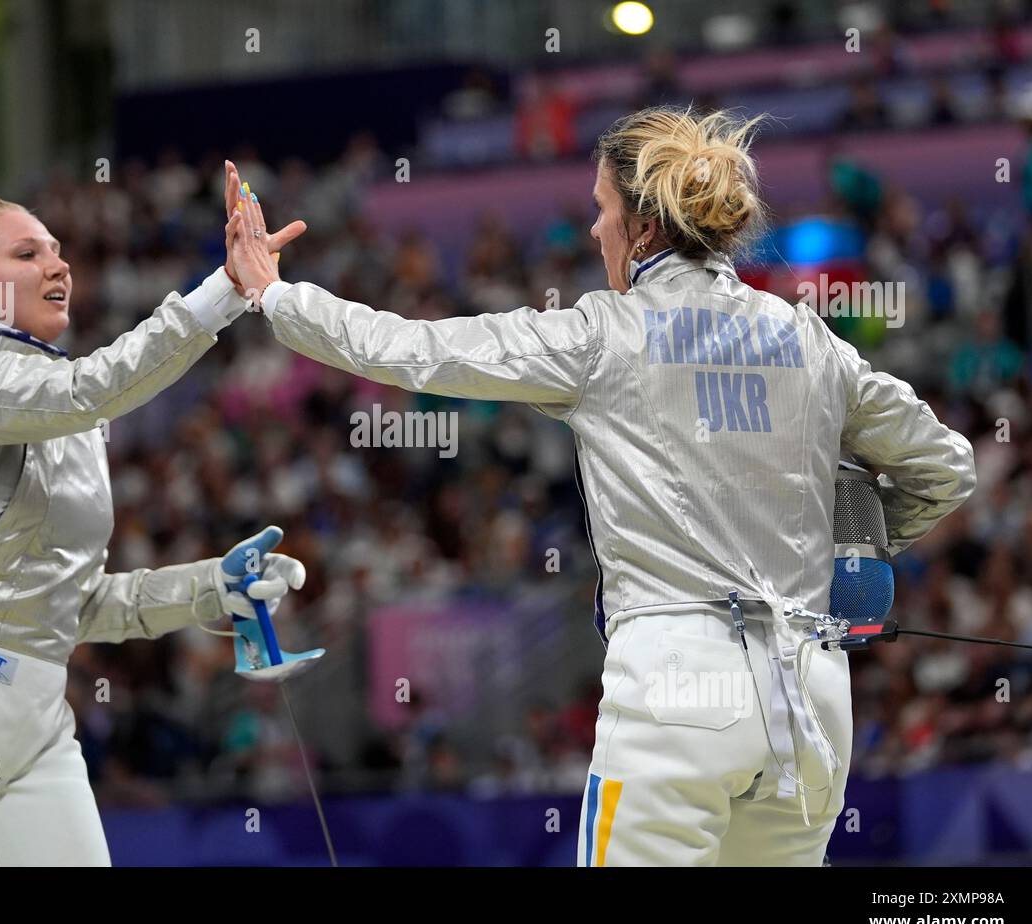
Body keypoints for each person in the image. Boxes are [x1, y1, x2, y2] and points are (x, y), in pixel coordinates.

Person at [223, 110, 977, 866]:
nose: (593, 232)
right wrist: (849, 545)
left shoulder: (601, 334)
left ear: (643, 228)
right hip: (814, 694)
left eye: (602, 211)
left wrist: (275, 296)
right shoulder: (809, 338)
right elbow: (947, 466)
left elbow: (413, 350)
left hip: (677, 686)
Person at [0, 185, 308, 866]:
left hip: (35, 723)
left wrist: (212, 587)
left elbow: (74, 603)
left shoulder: (71, 422)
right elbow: (86, 392)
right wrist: (224, 289)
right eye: (27, 253)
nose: (59, 264)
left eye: (59, 250)